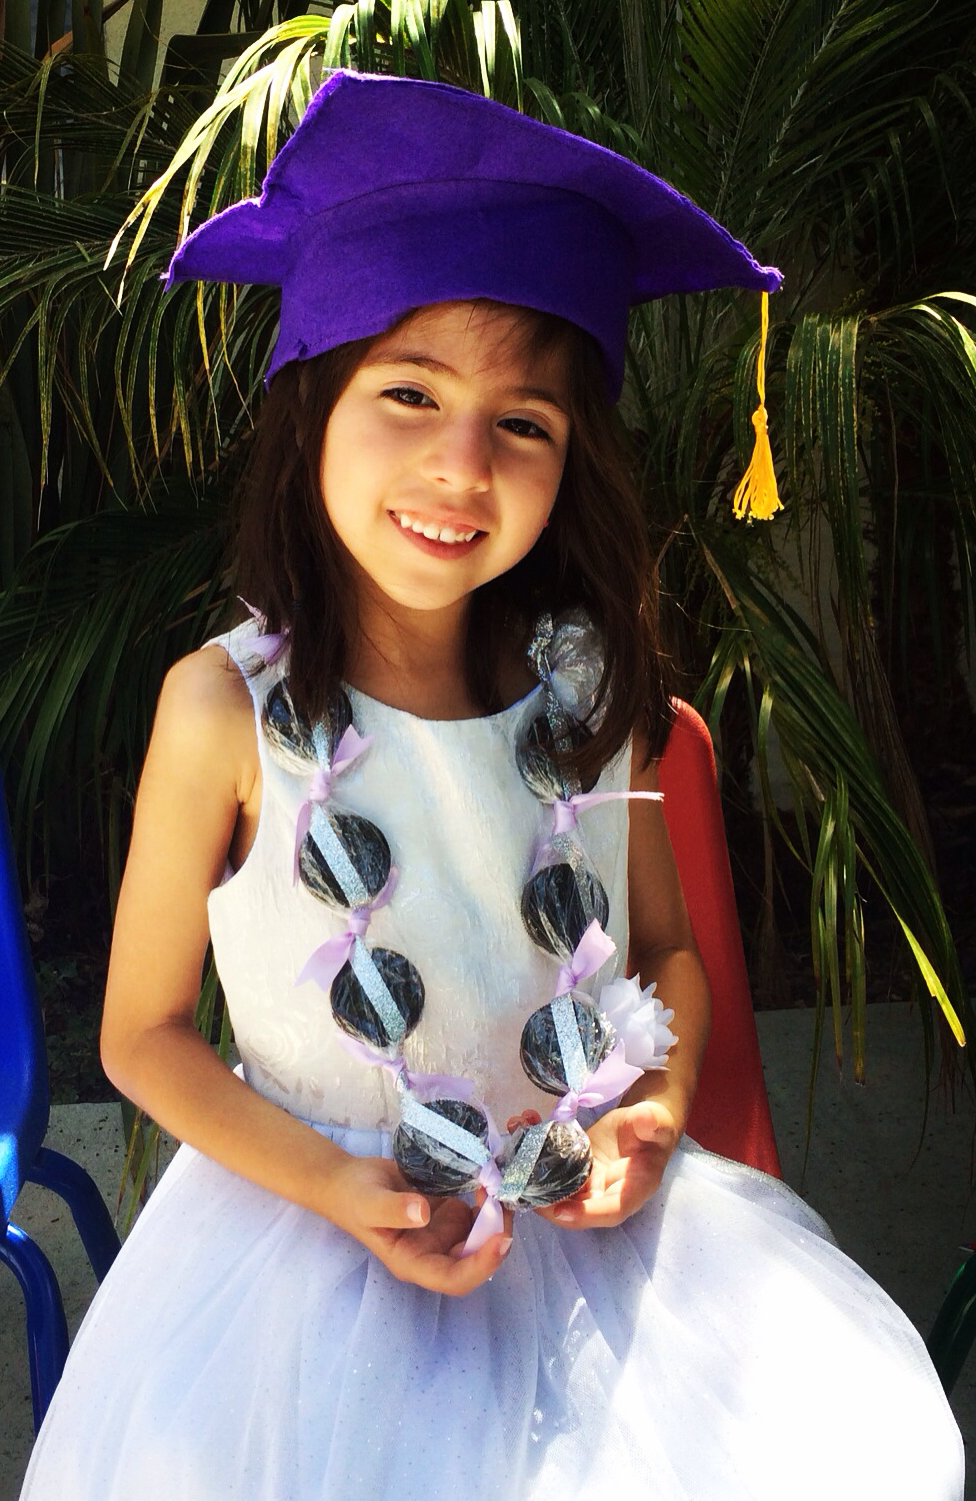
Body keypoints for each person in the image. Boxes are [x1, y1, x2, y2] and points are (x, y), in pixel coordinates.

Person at [20, 70, 963, 1500]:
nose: (461, 467)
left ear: (571, 457)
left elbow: (663, 955)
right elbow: (143, 1036)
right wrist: (348, 1188)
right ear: (312, 409)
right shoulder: (224, 710)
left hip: (584, 1235)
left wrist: (655, 1105)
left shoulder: (586, 690)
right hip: (312, 1250)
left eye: (524, 422)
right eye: (408, 394)